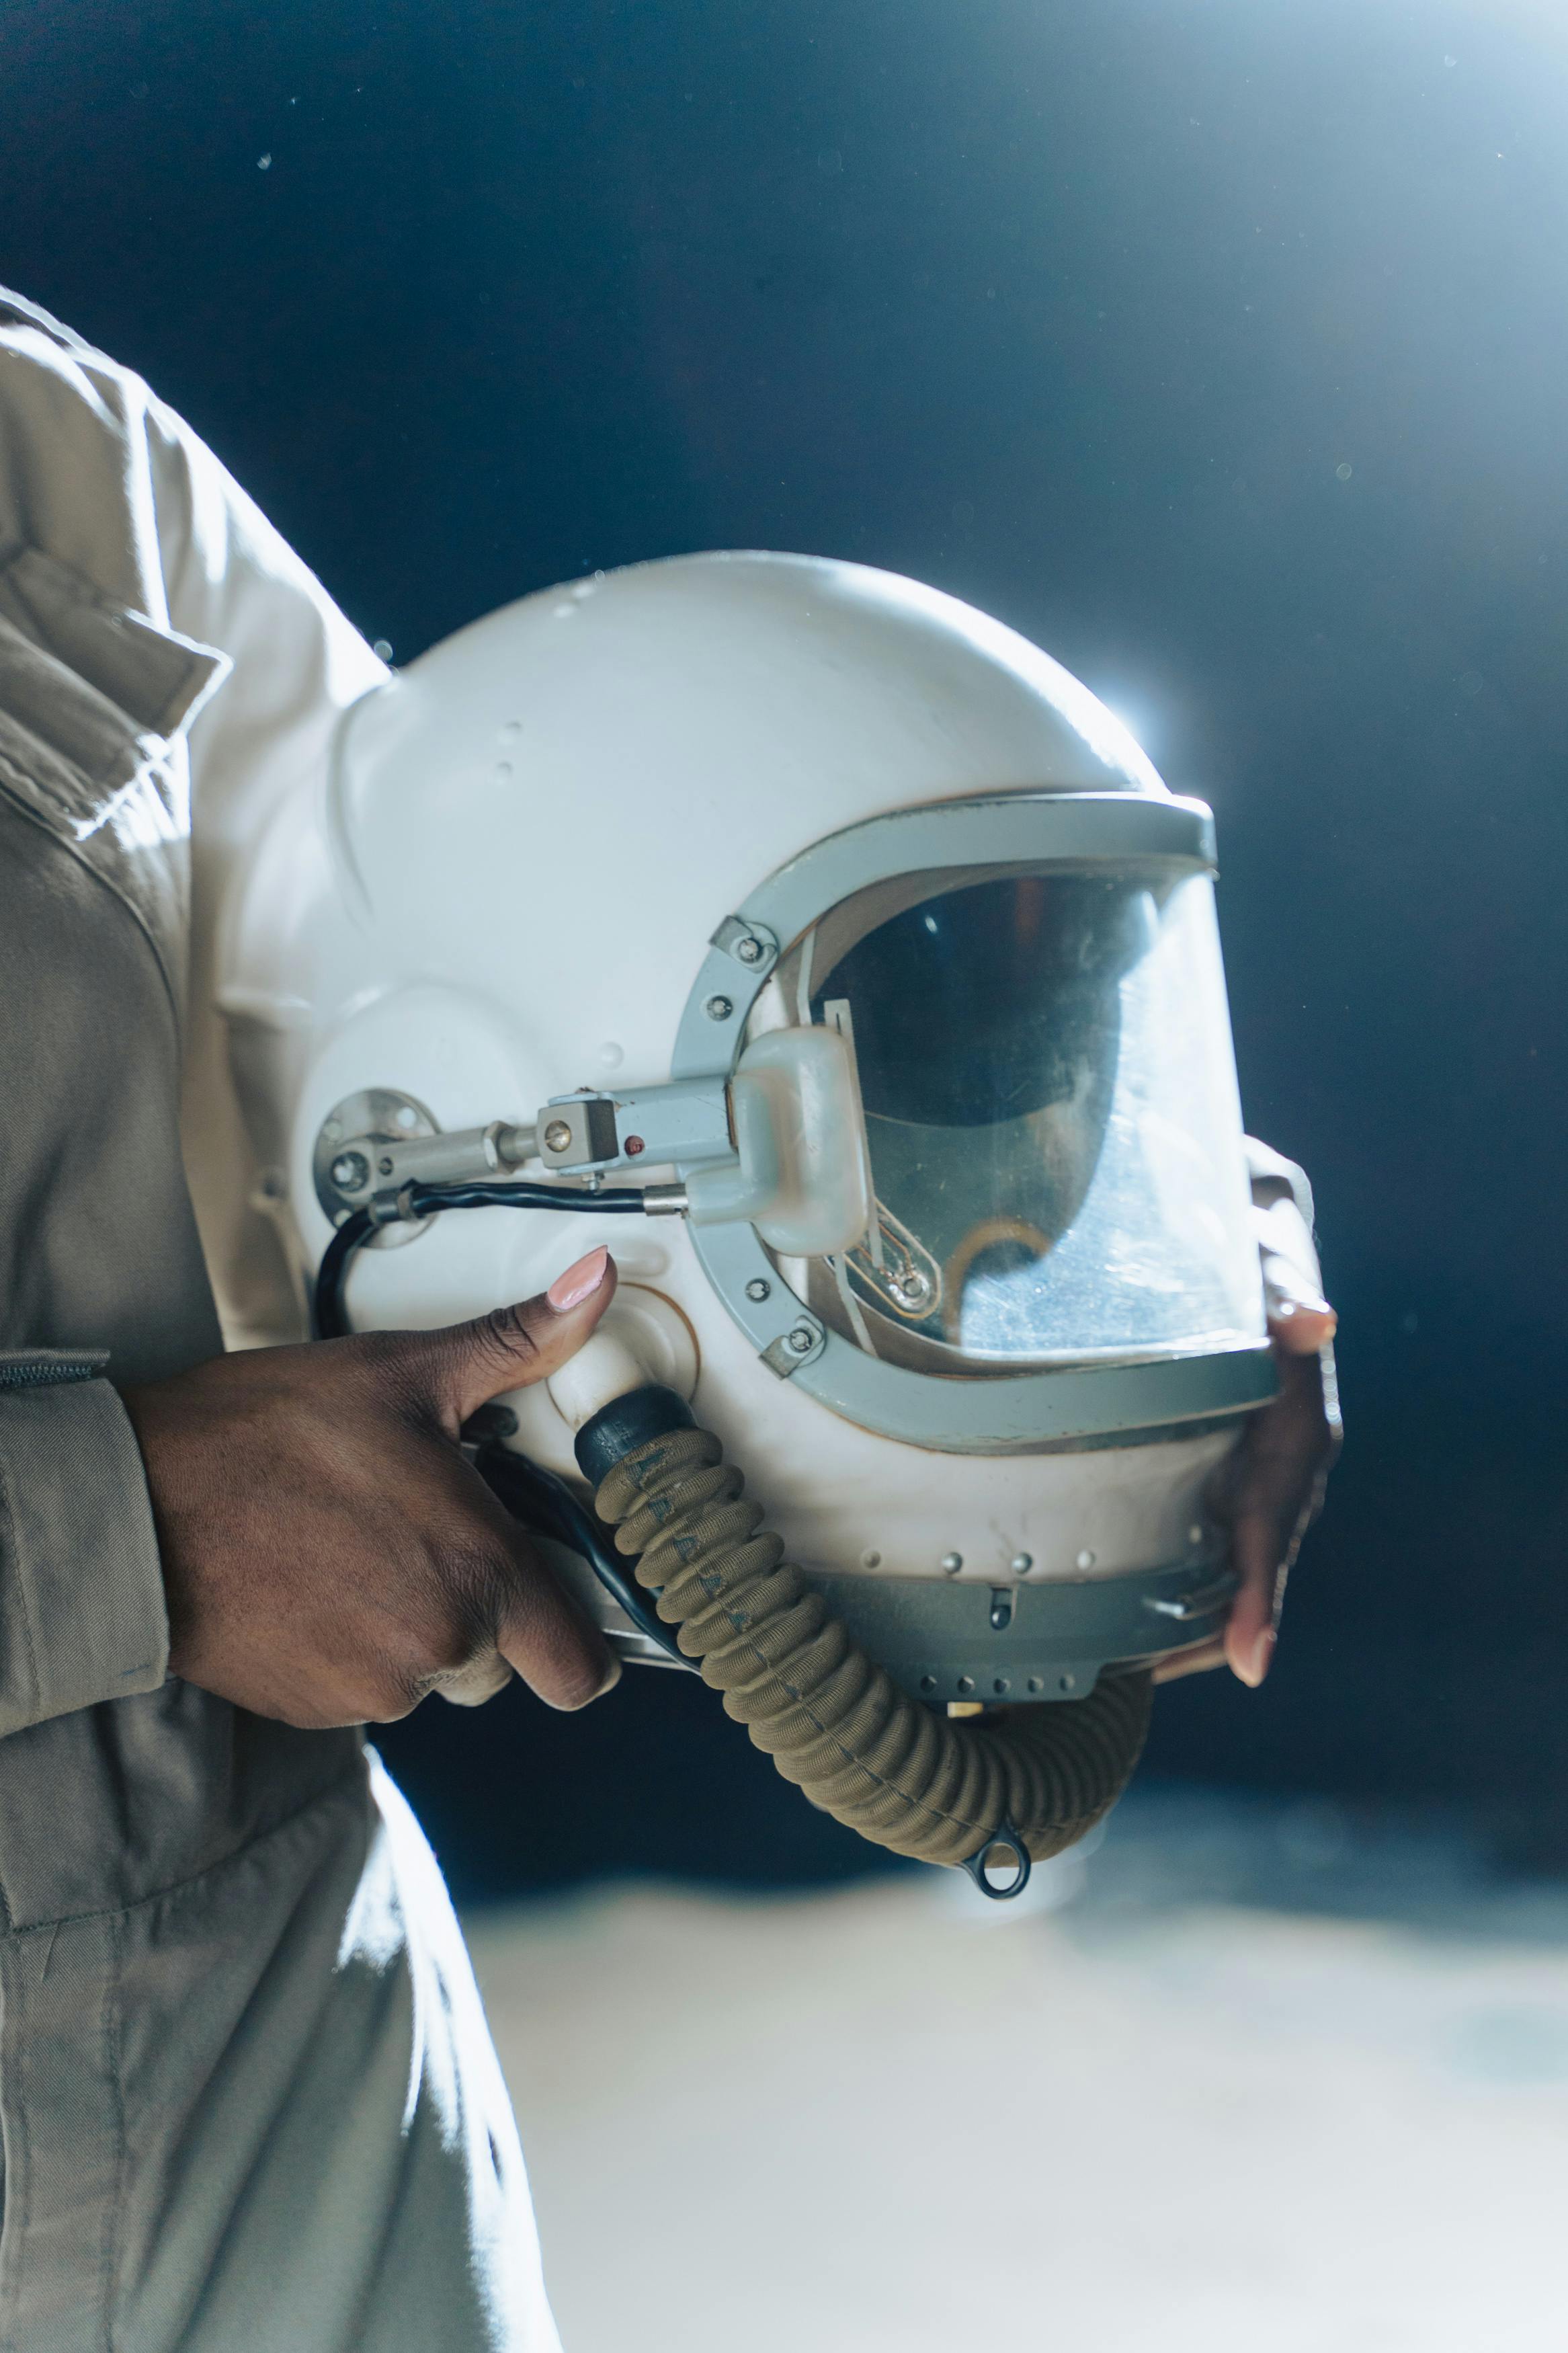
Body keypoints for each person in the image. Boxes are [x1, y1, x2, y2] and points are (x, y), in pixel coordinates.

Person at [0, 285, 1338, 2348]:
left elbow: (465, 924)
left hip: (270, 2043)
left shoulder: (46, 450)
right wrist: (118, 1534)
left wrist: (1142, 1238)